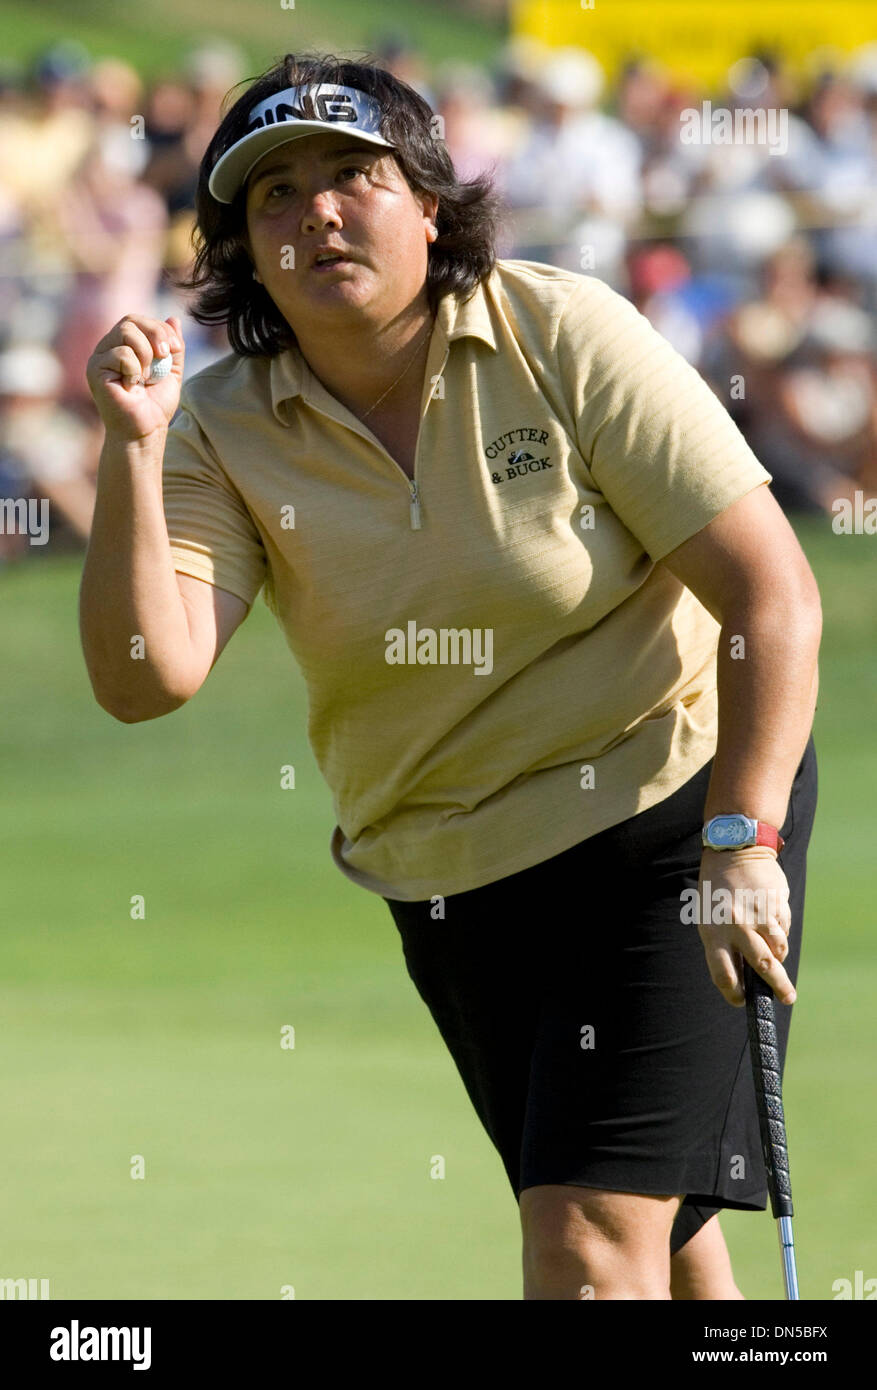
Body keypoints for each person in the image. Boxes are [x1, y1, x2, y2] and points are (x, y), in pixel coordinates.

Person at [79, 53, 821, 1301]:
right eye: (273, 198)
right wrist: (130, 455)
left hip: (670, 816)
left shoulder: (557, 328)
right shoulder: (215, 426)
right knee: (664, 1235)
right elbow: (148, 677)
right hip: (450, 874)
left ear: (428, 200)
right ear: (243, 251)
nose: (314, 211)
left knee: (588, 1241)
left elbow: (770, 591)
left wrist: (742, 835)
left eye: (351, 176)